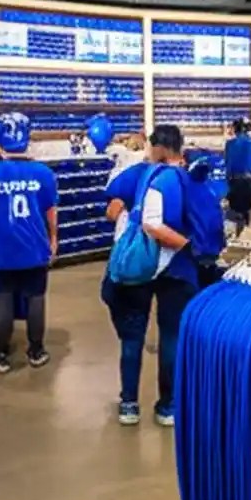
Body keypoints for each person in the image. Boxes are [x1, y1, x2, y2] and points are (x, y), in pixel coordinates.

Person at [102, 124, 197, 427]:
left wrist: (130, 219)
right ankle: (167, 407)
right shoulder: (189, 176)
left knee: (132, 338)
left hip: (139, 265)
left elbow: (112, 209)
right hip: (178, 266)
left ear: (153, 146)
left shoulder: (137, 173)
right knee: (170, 336)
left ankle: (129, 404)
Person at [0, 114, 58, 374]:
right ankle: (36, 350)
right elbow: (51, 213)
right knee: (35, 298)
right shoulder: (44, 173)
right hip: (34, 245)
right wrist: (53, 241)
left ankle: (0, 355)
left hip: (2, 247)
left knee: (1, 299)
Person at [224, 118, 251, 235]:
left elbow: (227, 162)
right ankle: (247, 230)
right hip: (248, 180)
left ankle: (235, 233)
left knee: (235, 211)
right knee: (249, 209)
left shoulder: (229, 144)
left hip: (233, 180)